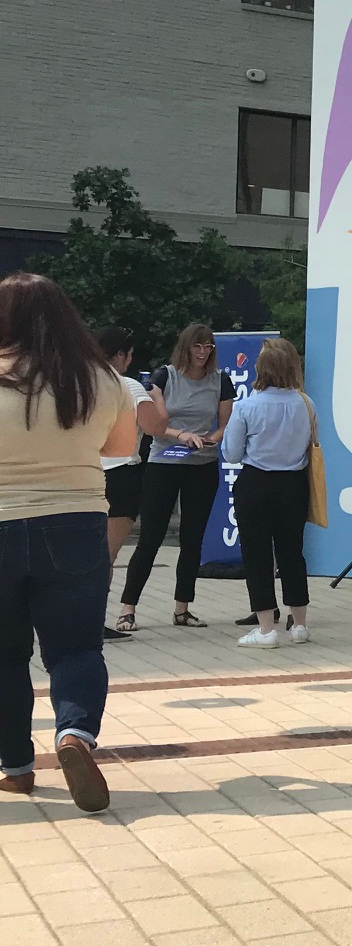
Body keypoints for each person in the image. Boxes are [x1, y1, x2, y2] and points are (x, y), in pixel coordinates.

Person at [1, 273, 138, 811]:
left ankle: (15, 767)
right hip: (76, 522)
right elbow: (120, 446)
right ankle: (74, 736)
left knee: (5, 657)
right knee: (77, 648)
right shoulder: (101, 378)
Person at [114, 323, 232, 632]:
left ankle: (183, 608)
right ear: (186, 347)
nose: (203, 354)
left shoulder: (221, 380)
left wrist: (210, 438)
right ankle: (128, 607)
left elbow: (224, 425)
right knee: (151, 536)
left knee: (192, 539)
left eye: (208, 348)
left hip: (202, 463)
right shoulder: (164, 376)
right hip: (164, 461)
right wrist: (181, 435)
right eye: (197, 347)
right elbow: (153, 424)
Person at [220, 339, 315, 649]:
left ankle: (265, 629)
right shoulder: (306, 403)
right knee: (292, 552)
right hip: (294, 484)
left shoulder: (247, 406)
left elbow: (232, 452)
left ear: (260, 369)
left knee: (257, 554)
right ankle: (299, 623)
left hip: (256, 483)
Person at [93, 327, 151, 641]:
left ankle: (84, 617)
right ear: (120, 355)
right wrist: (156, 398)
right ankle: (93, 619)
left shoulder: (81, 380)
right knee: (107, 555)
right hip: (122, 472)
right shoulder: (126, 384)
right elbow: (154, 424)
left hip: (91, 470)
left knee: (90, 550)